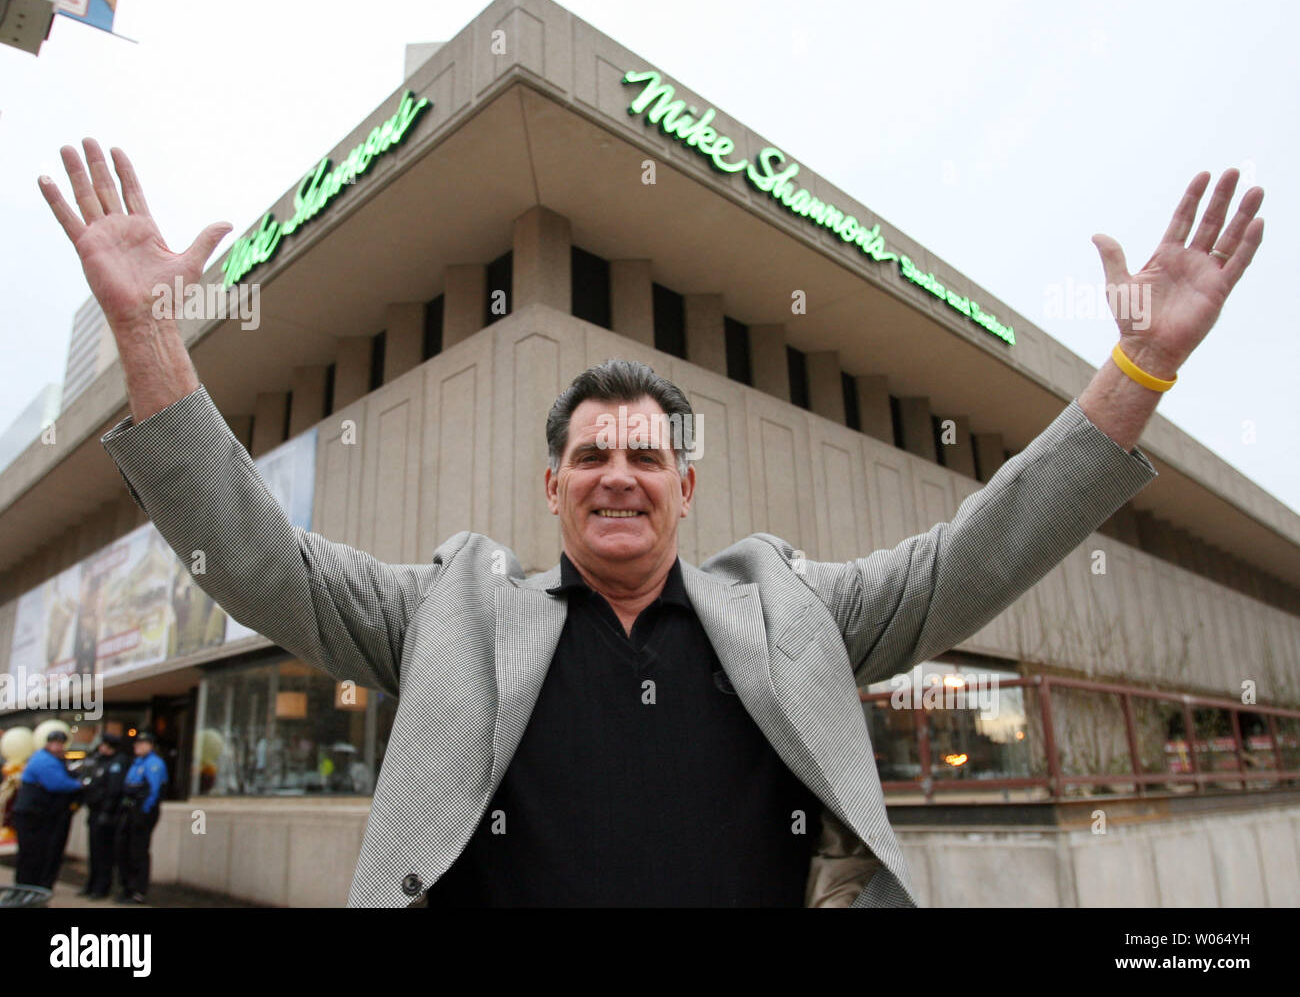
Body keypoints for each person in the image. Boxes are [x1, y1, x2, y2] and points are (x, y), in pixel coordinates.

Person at [37, 142, 1263, 907]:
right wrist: (148, 336)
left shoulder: (792, 608)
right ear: (552, 490)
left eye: (645, 457)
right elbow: (261, 561)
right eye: (590, 457)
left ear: (687, 488)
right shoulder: (448, 609)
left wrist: (1139, 369)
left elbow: (981, 549)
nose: (617, 476)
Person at [13, 730, 82, 890]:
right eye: (55, 743)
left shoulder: (53, 759)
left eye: (61, 744)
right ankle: (27, 888)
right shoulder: (44, 760)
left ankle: (33, 887)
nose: (58, 747)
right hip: (32, 815)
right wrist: (80, 784)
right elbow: (57, 783)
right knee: (32, 854)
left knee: (40, 854)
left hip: (41, 814)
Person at [113, 731, 168, 904]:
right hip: (130, 810)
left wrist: (143, 811)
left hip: (142, 811)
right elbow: (128, 786)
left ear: (151, 745)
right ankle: (127, 887)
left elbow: (153, 791)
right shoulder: (137, 762)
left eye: (142, 743)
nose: (137, 746)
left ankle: (138, 891)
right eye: (137, 743)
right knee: (124, 849)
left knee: (138, 851)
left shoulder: (154, 763)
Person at [79, 734, 131, 899]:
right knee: (94, 851)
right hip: (94, 811)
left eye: (103, 745)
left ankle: (101, 887)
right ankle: (92, 883)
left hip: (107, 813)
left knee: (104, 853)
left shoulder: (118, 763)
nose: (100, 748)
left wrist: (107, 811)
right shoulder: (99, 761)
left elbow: (114, 790)